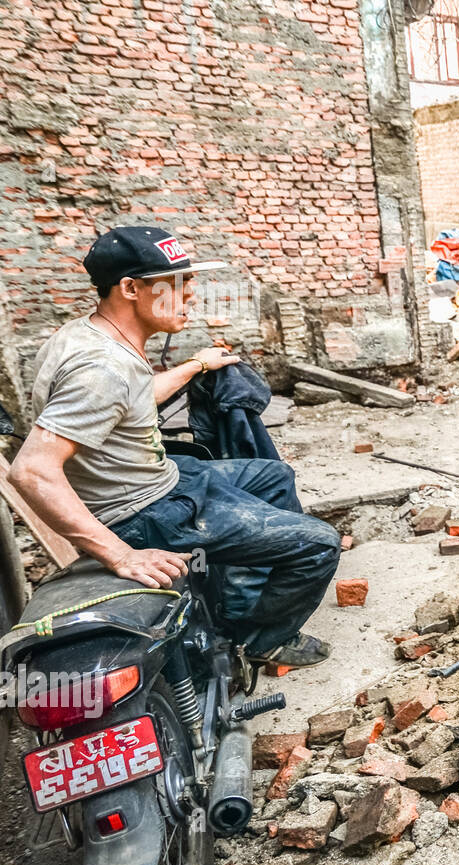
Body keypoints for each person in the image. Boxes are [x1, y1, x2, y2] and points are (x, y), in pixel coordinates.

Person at [8, 226, 342, 668]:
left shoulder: (91, 335)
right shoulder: (100, 368)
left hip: (160, 478)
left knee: (273, 475)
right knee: (319, 543)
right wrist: (120, 554)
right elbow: (31, 470)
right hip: (142, 513)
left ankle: (233, 604)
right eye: (178, 285)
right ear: (130, 288)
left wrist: (197, 365)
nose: (190, 296)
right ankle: (254, 641)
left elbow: (133, 396)